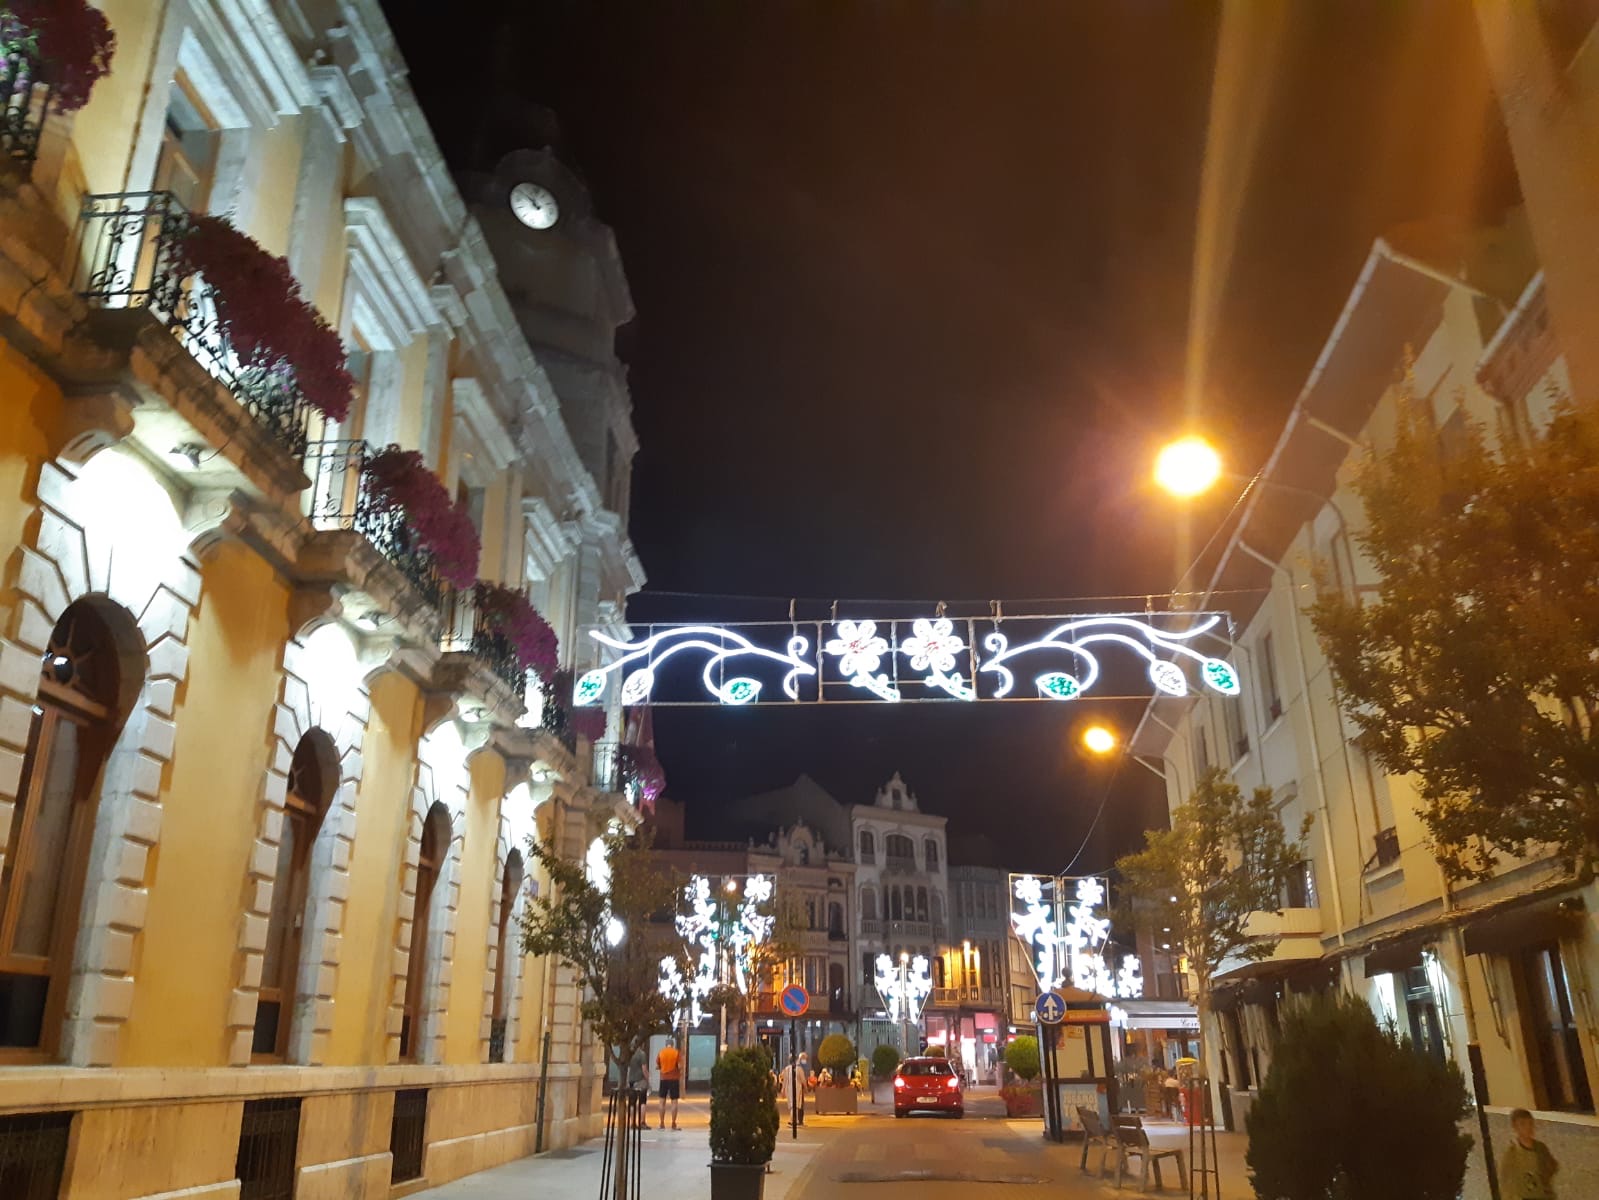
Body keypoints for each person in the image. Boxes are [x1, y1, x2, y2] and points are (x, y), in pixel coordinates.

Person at [1499, 1108, 1559, 1200]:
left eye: (1530, 1123)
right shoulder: (1511, 1154)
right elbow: (1507, 1184)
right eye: (1522, 1124)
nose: (1528, 1128)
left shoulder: (1541, 1148)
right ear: (1515, 1127)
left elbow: (1552, 1168)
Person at [656, 1036, 682, 1131]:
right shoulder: (676, 1053)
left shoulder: (661, 1052)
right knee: (674, 1102)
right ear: (673, 1044)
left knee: (662, 1102)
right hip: (674, 1079)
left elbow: (658, 1065)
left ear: (666, 1045)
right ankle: (673, 1124)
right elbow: (679, 1066)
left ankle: (662, 1123)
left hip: (663, 1079)